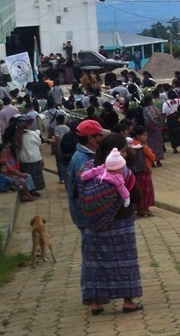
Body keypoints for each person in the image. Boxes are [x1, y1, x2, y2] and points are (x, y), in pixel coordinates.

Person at [80, 134, 144, 315]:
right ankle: (128, 302)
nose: (126, 154)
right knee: (124, 262)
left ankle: (95, 303)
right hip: (121, 223)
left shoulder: (89, 168)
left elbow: (79, 192)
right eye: (124, 151)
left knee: (96, 262)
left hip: (93, 224)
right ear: (114, 152)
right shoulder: (123, 172)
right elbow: (138, 197)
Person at [66, 118, 106, 307]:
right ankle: (89, 293)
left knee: (92, 252)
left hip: (85, 213)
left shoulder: (85, 155)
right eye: (99, 136)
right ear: (91, 138)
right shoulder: (83, 160)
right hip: (86, 214)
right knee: (91, 254)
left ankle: (93, 291)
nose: (101, 139)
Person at [16, 116, 46, 192]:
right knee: (35, 177)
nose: (31, 125)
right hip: (33, 159)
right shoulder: (32, 134)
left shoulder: (17, 134)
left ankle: (30, 190)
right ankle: (33, 190)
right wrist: (37, 133)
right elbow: (39, 142)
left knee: (28, 177)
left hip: (23, 160)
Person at [140, 95, 164, 167]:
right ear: (150, 101)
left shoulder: (144, 110)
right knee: (158, 145)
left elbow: (146, 121)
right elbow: (160, 117)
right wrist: (159, 126)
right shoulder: (156, 108)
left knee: (150, 145)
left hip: (149, 130)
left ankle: (152, 161)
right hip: (157, 130)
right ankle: (158, 160)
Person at [52, 114, 71, 184]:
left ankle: (62, 178)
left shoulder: (56, 128)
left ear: (57, 121)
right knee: (67, 163)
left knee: (59, 163)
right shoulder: (68, 128)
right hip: (67, 148)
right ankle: (67, 177)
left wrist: (56, 148)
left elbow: (57, 138)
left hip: (59, 147)